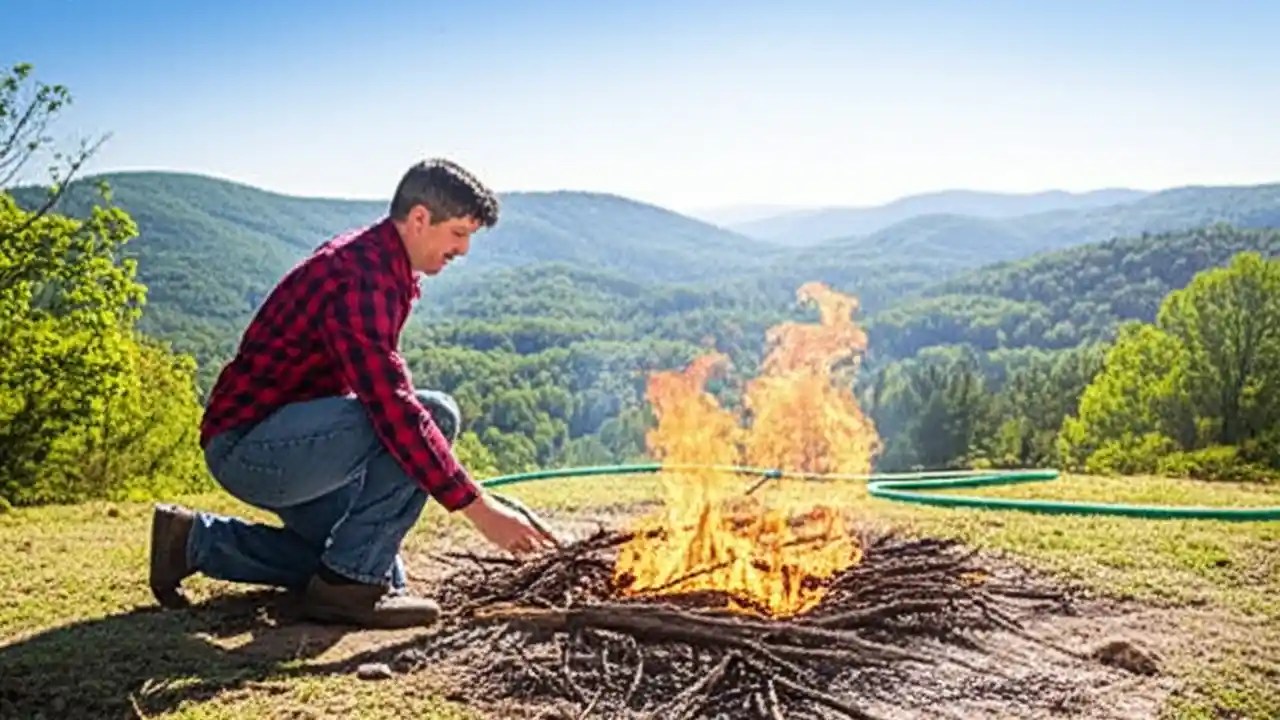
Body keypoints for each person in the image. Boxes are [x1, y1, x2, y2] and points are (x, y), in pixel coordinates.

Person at [148, 158, 558, 629]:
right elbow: (393, 409)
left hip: (298, 442)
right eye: (459, 233)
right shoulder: (361, 275)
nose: (463, 249)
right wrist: (480, 510)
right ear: (420, 218)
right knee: (433, 415)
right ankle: (347, 590)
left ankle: (192, 542)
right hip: (253, 446)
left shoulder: (382, 264)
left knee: (371, 569)